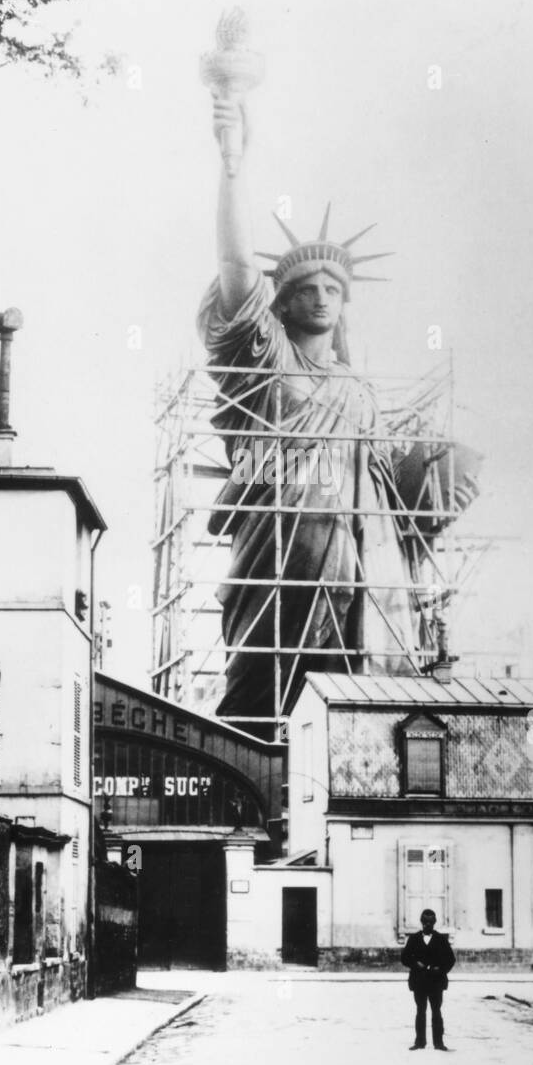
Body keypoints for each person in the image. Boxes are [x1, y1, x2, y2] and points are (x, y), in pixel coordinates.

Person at [198, 95, 422, 736]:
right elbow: (236, 269)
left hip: (346, 555)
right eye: (308, 290)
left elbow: (384, 491)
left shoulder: (359, 389)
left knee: (338, 699)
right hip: (276, 545)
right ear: (284, 305)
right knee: (258, 684)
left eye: (333, 291)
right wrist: (233, 163)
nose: (322, 298)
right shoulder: (268, 358)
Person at [401, 908, 455, 1051]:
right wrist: (415, 963)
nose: (427, 925)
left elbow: (450, 959)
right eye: (425, 922)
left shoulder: (441, 940)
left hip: (436, 983)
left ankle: (439, 1043)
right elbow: (404, 958)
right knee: (420, 1011)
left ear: (435, 923)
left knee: (436, 1011)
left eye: (430, 922)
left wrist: (440, 969)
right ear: (421, 922)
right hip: (419, 982)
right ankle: (420, 1042)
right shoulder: (414, 939)